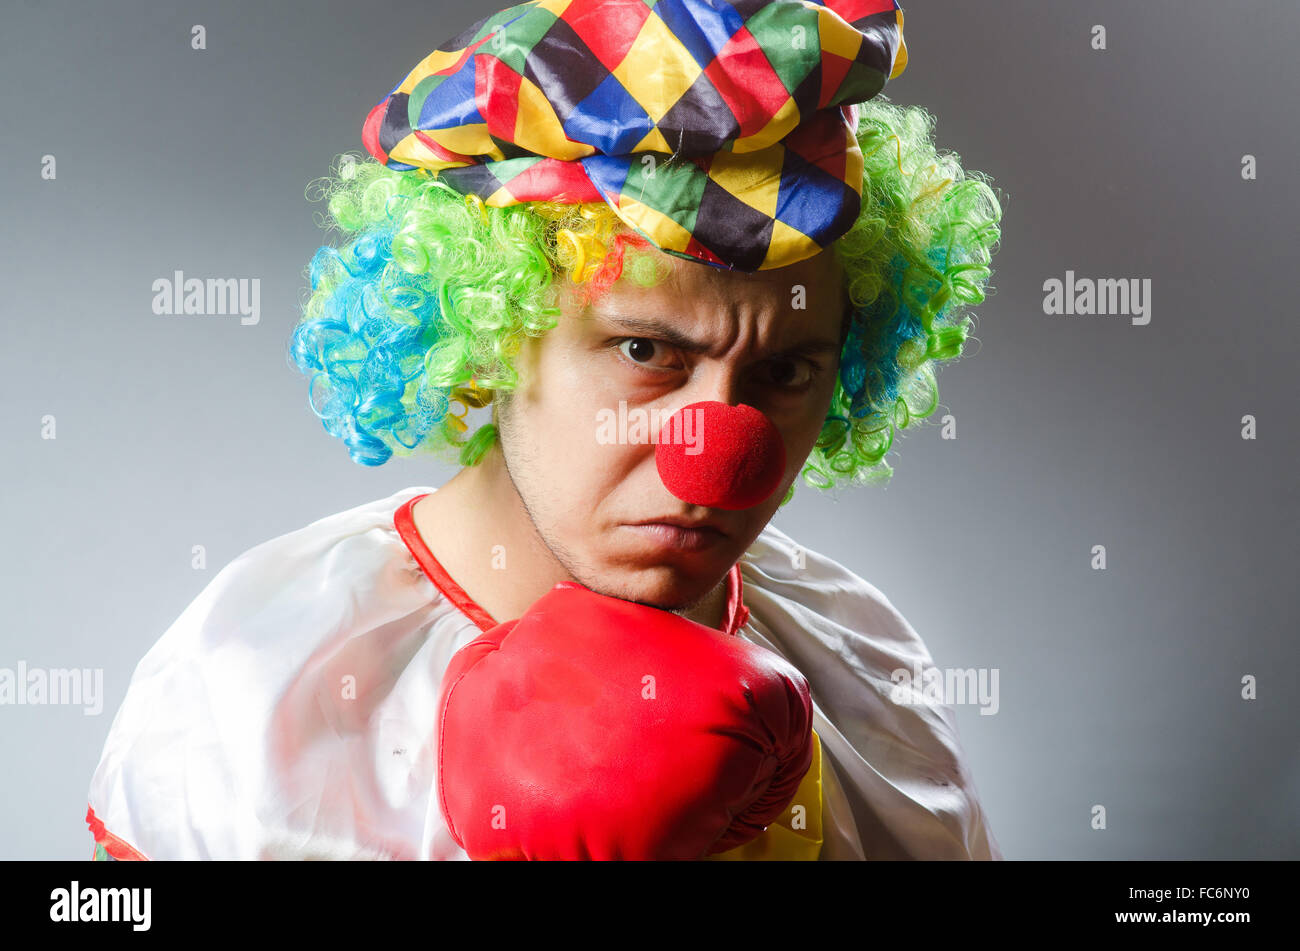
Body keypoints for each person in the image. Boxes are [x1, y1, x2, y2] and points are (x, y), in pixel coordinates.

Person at [86, 0, 1004, 860]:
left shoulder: (863, 663)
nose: (721, 459)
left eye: (786, 371)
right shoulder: (253, 687)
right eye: (646, 349)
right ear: (489, 333)